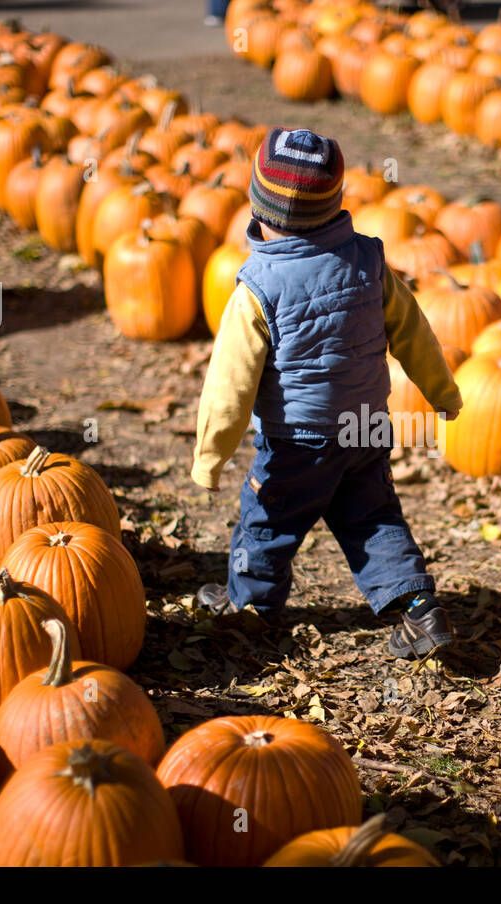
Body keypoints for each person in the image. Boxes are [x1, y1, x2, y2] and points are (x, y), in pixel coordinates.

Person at [190, 127, 463, 659]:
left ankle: (248, 609)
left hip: (298, 440)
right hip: (364, 428)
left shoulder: (258, 285)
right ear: (335, 202)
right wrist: (442, 393)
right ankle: (419, 610)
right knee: (373, 518)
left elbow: (229, 386)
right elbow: (415, 333)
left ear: (258, 206)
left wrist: (210, 458)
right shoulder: (368, 261)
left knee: (266, 522)